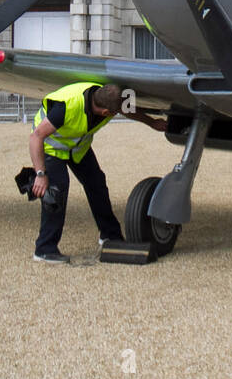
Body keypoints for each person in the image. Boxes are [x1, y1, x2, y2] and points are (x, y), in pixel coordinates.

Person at [27, 81, 166, 263]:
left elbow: (128, 109)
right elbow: (36, 136)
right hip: (51, 146)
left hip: (77, 147)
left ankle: (110, 235)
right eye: (115, 113)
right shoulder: (67, 107)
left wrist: (152, 122)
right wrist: (40, 174)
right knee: (57, 190)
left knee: (96, 183)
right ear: (106, 113)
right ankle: (44, 249)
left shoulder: (107, 97)